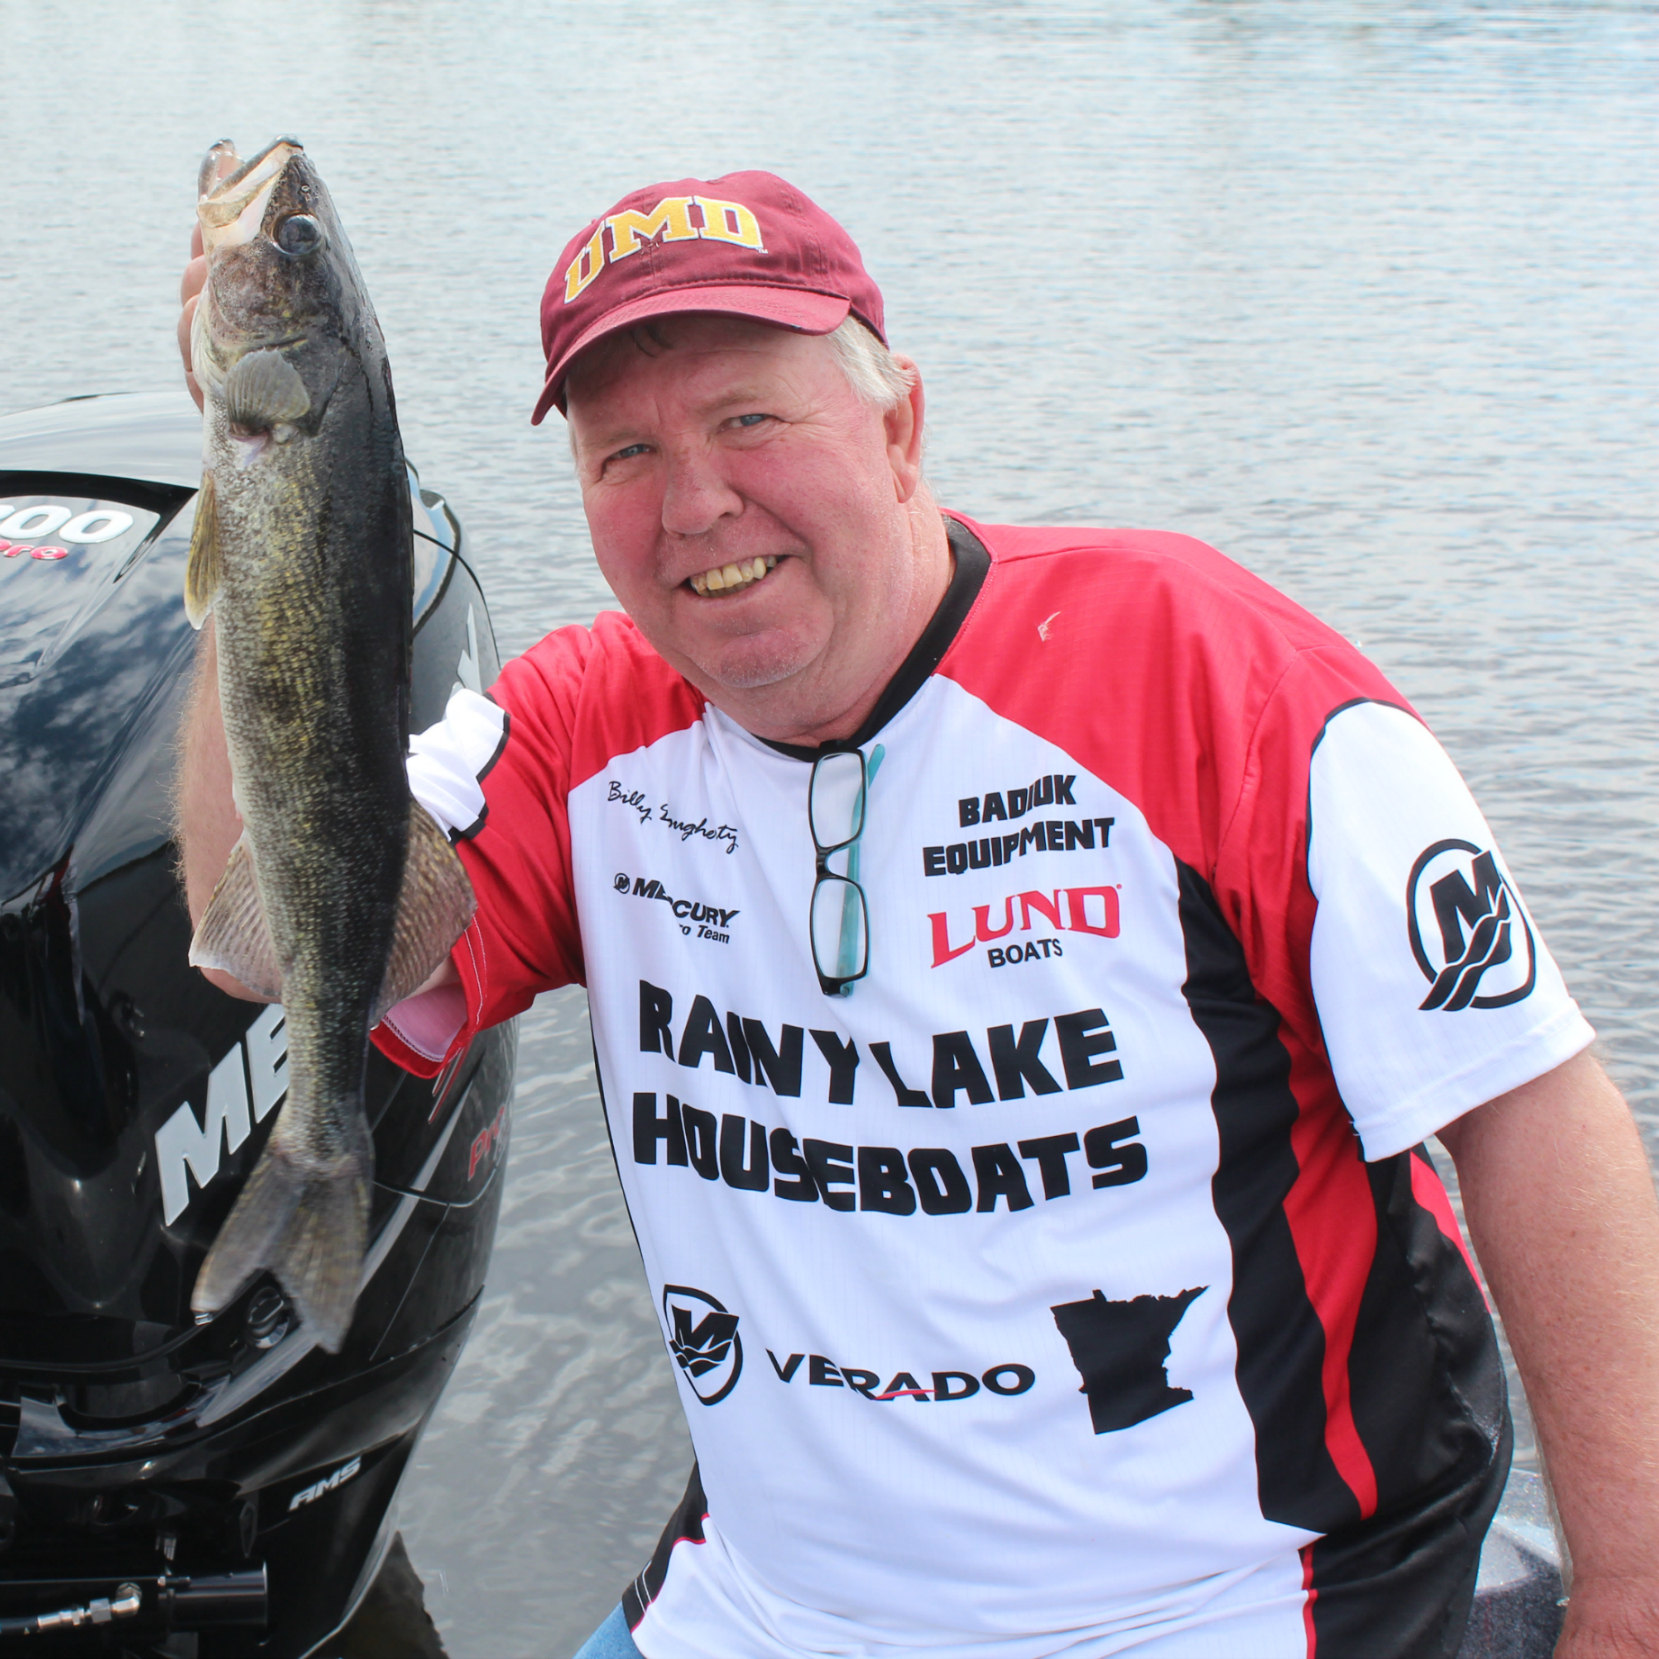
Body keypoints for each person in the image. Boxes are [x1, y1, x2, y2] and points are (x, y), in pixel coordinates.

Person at [176, 171, 1659, 1659]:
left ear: (898, 428)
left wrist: (1633, 1601)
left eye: (750, 420)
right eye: (626, 450)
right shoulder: (584, 735)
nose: (696, 505)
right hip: (768, 1604)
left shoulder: (1211, 677)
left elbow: (1528, 1107)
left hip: (1232, 1609)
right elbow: (277, 943)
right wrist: (261, 530)